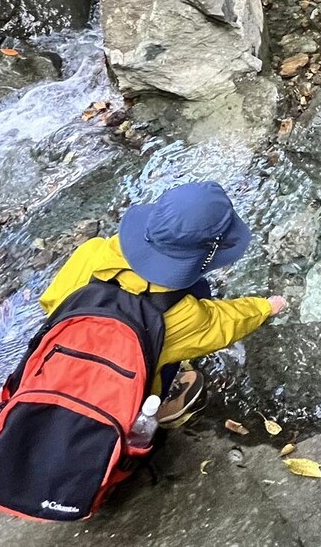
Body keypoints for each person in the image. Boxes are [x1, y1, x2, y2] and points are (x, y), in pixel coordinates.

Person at [39, 181, 287, 427]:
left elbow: (51, 303)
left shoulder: (92, 252)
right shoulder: (183, 315)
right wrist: (265, 307)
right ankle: (154, 409)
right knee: (167, 338)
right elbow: (225, 323)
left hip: (51, 376)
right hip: (116, 407)